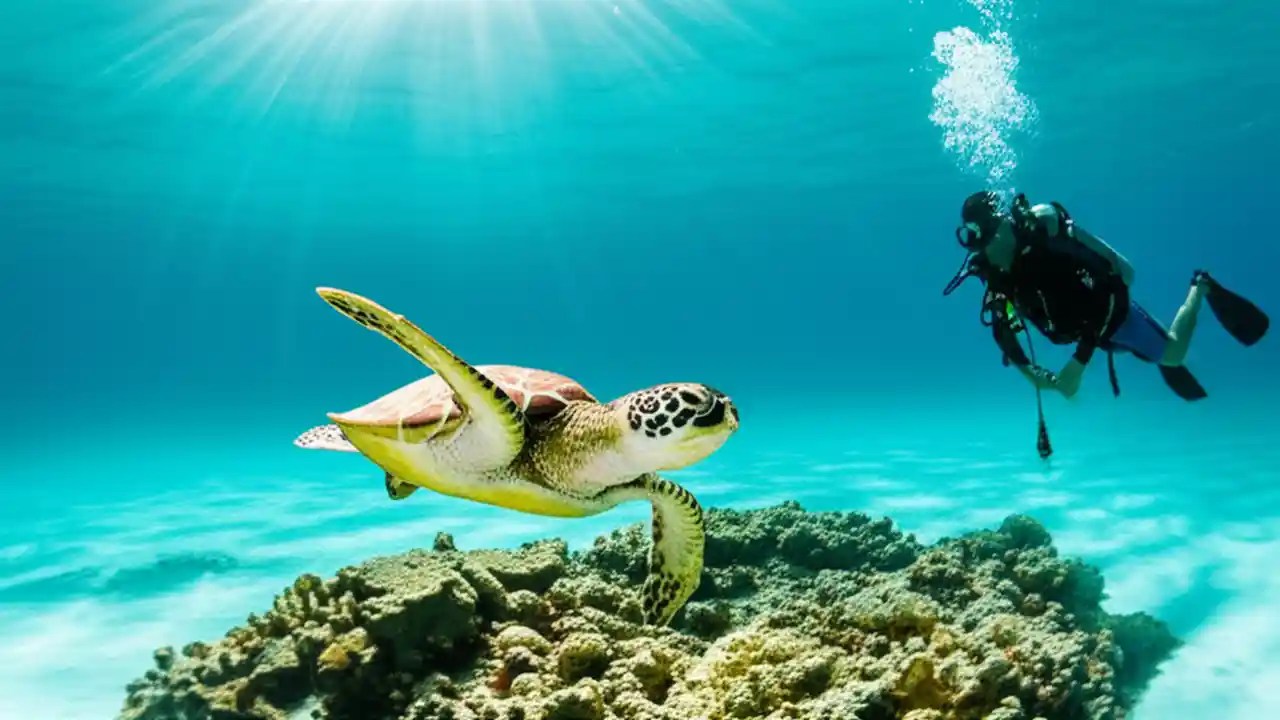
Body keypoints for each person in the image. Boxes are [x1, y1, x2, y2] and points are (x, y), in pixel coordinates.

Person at [942, 190, 1269, 403]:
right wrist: (1032, 376)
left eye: (987, 241)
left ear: (1002, 227)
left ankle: (1200, 285)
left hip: (1113, 312)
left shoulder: (1048, 238)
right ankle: (1140, 348)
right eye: (976, 243)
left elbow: (1117, 283)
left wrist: (1078, 364)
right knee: (1126, 349)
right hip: (1087, 330)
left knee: (1173, 354)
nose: (985, 252)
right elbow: (1004, 326)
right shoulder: (995, 270)